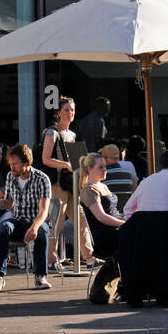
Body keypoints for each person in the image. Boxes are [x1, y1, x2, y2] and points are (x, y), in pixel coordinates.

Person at [0, 144, 52, 291]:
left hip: (36, 220)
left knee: (42, 231)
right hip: (18, 220)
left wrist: (34, 226)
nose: (11, 167)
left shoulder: (42, 179)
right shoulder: (10, 176)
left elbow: (44, 210)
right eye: (10, 164)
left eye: (14, 164)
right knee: (3, 228)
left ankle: (40, 276)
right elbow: (8, 202)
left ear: (26, 163)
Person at [43, 95, 91, 260]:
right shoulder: (52, 133)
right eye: (67, 110)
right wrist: (66, 165)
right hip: (57, 184)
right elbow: (45, 159)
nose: (70, 113)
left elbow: (76, 160)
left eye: (72, 110)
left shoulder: (72, 134)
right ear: (58, 113)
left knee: (80, 219)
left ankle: (89, 257)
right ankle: (50, 259)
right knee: (56, 222)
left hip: (71, 182)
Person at [79, 153, 125, 260]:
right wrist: (125, 223)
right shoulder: (89, 190)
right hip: (105, 235)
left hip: (115, 228)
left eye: (105, 166)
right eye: (100, 167)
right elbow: (101, 217)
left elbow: (113, 211)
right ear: (89, 169)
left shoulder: (103, 185)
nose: (105, 170)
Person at [100, 143, 137, 208]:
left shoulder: (102, 174)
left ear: (105, 158)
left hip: (109, 213)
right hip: (125, 212)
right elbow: (134, 191)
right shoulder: (128, 173)